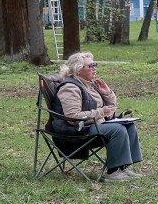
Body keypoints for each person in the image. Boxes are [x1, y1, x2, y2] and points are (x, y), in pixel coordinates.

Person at [53, 51, 143, 182]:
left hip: (94, 125)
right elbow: (73, 117)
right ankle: (112, 173)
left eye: (94, 64)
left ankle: (122, 167)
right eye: (90, 66)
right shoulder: (70, 88)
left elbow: (109, 107)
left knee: (129, 126)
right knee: (117, 129)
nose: (94, 67)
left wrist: (107, 94)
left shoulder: (90, 84)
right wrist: (101, 112)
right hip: (76, 131)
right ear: (78, 70)